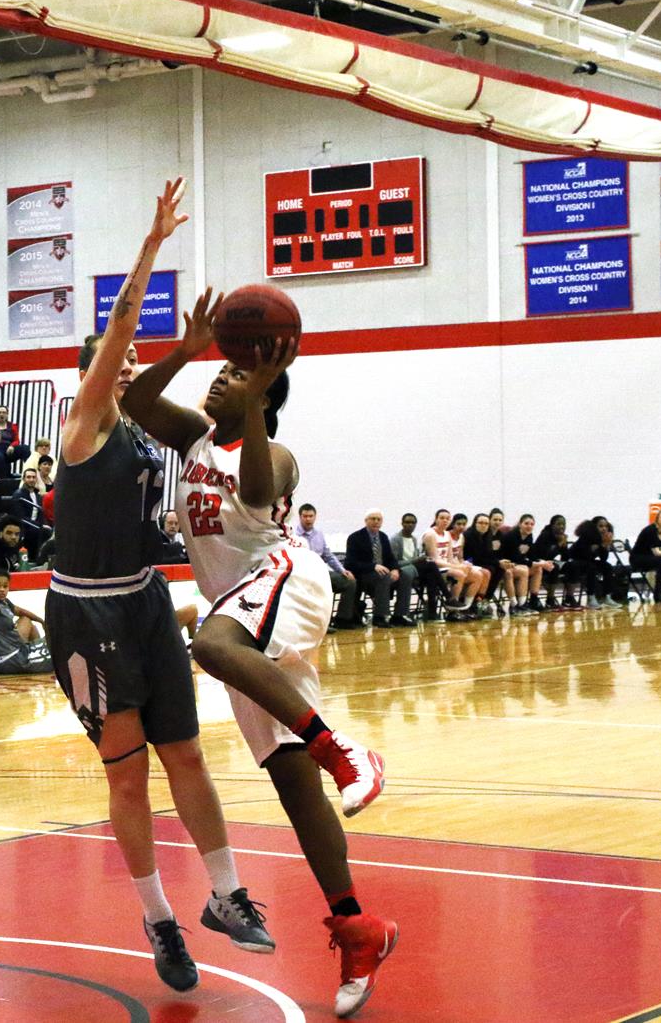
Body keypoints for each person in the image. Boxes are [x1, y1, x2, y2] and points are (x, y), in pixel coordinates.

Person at [122, 269, 394, 1016]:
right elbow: (135, 401)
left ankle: (347, 751)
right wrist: (183, 348)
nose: (219, 377)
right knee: (288, 772)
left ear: (265, 390)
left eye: (236, 370)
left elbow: (251, 492)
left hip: (281, 581)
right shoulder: (195, 435)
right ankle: (356, 923)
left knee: (209, 645)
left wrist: (253, 402)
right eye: (221, 367)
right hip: (241, 612)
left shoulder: (277, 455)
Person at [46, 183, 272, 997]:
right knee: (129, 773)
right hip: (85, 611)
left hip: (142, 596)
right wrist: (150, 247)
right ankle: (157, 918)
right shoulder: (82, 427)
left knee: (186, 752)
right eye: (116, 364)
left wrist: (197, 352)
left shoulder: (142, 430)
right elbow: (117, 336)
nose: (126, 366)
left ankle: (225, 892)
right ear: (90, 378)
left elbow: (169, 397)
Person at [344, 510, 414, 627]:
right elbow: (350, 563)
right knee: (384, 577)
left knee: (405, 576)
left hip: (382, 572)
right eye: (373, 519)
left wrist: (395, 569)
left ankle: (399, 616)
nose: (376, 522)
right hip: (364, 574)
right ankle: (380, 616)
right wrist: (373, 566)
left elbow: (391, 559)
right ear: (366, 521)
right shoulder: (355, 537)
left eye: (379, 519)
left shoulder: (383, 536)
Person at [0, 569, 49, 674]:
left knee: (26, 619)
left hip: (9, 654)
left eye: (5, 586)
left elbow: (20, 611)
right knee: (56, 653)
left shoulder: (4, 602)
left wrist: (41, 620)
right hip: (8, 659)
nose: (2, 590)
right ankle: (32, 654)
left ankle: (31, 652)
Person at [297, 504, 358, 628]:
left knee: (350, 582)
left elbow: (328, 555)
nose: (308, 519)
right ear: (300, 517)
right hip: (301, 575)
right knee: (320, 586)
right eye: (305, 516)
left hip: (321, 573)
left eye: (310, 516)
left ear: (315, 517)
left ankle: (342, 618)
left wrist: (342, 570)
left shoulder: (319, 534)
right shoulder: (293, 535)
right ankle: (319, 624)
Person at [391, 513, 444, 620]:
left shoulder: (414, 539)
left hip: (414, 569)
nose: (410, 525)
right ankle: (448, 598)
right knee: (431, 565)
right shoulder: (395, 539)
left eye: (413, 523)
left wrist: (418, 559)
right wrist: (416, 560)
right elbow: (395, 563)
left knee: (431, 575)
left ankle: (432, 612)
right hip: (403, 570)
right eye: (407, 522)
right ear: (402, 523)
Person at [506, 514, 554, 613]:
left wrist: (543, 562)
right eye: (526, 523)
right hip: (508, 564)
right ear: (520, 524)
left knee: (538, 569)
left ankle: (533, 599)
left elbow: (532, 555)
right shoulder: (511, 536)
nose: (529, 526)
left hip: (519, 564)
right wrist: (539, 563)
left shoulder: (529, 536)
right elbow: (516, 558)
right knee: (525, 569)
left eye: (532, 524)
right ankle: (521, 604)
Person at [534, 514, 580, 610]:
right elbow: (544, 555)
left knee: (573, 566)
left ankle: (569, 598)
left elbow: (565, 558)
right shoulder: (545, 535)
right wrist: (558, 544)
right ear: (552, 525)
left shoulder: (561, 536)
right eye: (558, 524)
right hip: (539, 562)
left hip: (551, 562)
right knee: (554, 567)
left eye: (563, 524)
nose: (561, 526)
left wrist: (564, 545)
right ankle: (550, 600)